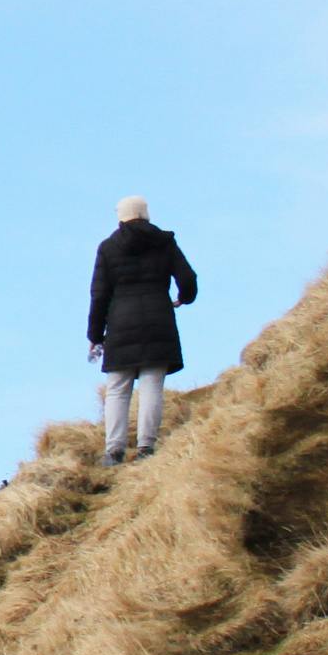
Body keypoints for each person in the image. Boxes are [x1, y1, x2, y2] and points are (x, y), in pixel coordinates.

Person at [89, 195, 196, 463]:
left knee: (117, 388)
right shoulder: (164, 242)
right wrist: (184, 298)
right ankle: (146, 447)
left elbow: (99, 294)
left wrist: (95, 335)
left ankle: (114, 451)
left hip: (120, 324)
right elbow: (187, 278)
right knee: (151, 385)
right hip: (158, 319)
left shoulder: (108, 248)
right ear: (145, 214)